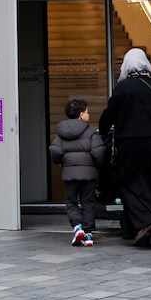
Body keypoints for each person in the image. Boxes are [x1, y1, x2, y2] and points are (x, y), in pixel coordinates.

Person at [98, 48, 151, 247]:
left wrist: (103, 130)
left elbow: (109, 115)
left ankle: (143, 223)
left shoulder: (123, 88)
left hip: (128, 142)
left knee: (126, 181)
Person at [49, 98, 106, 247]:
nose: (88, 115)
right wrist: (97, 166)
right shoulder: (91, 132)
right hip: (88, 174)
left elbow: (54, 150)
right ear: (81, 114)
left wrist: (61, 161)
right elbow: (99, 153)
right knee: (88, 202)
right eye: (87, 112)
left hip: (70, 174)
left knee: (71, 201)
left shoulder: (61, 133)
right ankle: (88, 234)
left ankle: (77, 226)